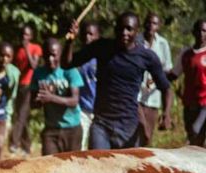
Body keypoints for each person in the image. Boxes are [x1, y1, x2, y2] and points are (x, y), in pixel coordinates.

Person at [63, 12, 171, 150]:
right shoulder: (102, 47)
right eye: (120, 28)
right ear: (115, 29)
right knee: (99, 166)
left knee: (128, 170)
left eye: (129, 29)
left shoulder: (146, 57)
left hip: (128, 127)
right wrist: (70, 41)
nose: (124, 33)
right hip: (102, 125)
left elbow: (165, 88)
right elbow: (67, 63)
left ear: (137, 31)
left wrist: (166, 113)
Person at [31, 38, 84, 155]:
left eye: (53, 55)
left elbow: (74, 101)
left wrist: (51, 98)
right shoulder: (38, 73)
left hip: (72, 129)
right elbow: (33, 104)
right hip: (51, 129)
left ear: (60, 54)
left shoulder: (70, 71)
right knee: (48, 167)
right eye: (47, 55)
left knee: (71, 169)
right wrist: (39, 99)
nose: (50, 59)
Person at [136, 13, 173, 146]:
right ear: (144, 23)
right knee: (141, 131)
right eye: (148, 22)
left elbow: (167, 69)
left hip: (153, 98)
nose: (151, 26)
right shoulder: (136, 41)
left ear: (159, 26)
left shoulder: (163, 44)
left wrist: (157, 78)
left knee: (147, 138)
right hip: (137, 96)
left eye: (154, 23)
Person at [169, 19, 206, 146]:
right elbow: (174, 74)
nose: (201, 34)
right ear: (193, 32)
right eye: (199, 30)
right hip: (189, 103)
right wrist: (156, 77)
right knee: (194, 138)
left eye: (204, 31)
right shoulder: (186, 53)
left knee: (196, 131)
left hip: (204, 104)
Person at [10, 24, 42, 155]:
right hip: (18, 86)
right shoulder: (16, 50)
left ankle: (13, 143)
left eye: (27, 34)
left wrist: (26, 49)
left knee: (21, 115)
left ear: (31, 36)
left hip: (30, 86)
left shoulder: (35, 48)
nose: (24, 36)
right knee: (23, 116)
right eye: (23, 34)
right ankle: (26, 147)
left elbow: (34, 65)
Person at [77, 21, 99, 149]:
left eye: (91, 34)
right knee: (79, 148)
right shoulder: (77, 59)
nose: (87, 37)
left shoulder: (103, 59)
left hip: (100, 112)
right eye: (85, 34)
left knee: (97, 149)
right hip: (81, 110)